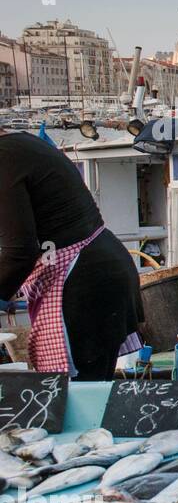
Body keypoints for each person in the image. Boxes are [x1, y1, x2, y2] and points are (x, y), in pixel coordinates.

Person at [0, 130, 143, 379]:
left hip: (81, 281)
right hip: (101, 267)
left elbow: (20, 252)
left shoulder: (6, 157)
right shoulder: (23, 144)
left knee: (77, 397)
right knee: (92, 394)